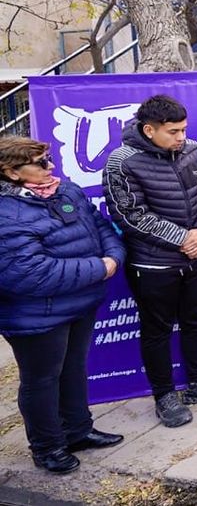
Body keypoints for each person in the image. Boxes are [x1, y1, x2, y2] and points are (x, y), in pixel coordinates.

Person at [103, 94, 197, 428]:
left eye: (184, 130)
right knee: (157, 329)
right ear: (149, 130)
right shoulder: (122, 162)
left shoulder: (196, 151)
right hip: (154, 264)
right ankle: (164, 395)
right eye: (173, 132)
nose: (181, 137)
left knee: (196, 319)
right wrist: (182, 239)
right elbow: (130, 215)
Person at [0, 137, 125, 474]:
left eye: (50, 158)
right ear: (11, 172)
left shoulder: (65, 191)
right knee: (41, 380)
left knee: (73, 368)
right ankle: (47, 447)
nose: (51, 167)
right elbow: (29, 273)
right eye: (41, 163)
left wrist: (114, 256)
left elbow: (100, 226)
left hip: (80, 301)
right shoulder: (5, 212)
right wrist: (100, 268)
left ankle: (78, 431)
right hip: (36, 314)